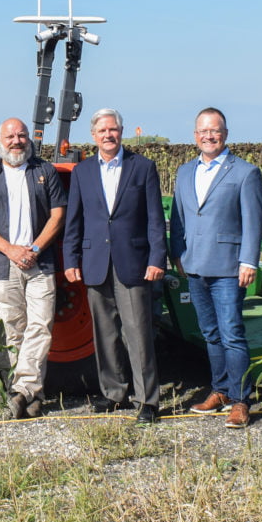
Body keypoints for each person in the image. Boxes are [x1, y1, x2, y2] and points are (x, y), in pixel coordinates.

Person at [63, 108, 167, 424]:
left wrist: (156, 258)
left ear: (121, 132)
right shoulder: (82, 172)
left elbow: (154, 219)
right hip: (95, 262)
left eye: (114, 129)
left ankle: (147, 400)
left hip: (132, 261)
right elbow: (74, 220)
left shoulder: (142, 168)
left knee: (137, 331)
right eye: (103, 131)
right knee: (105, 333)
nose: (109, 135)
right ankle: (114, 393)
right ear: (94, 136)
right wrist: (70, 259)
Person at [170, 107, 262, 428]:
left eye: (215, 131)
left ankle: (241, 400)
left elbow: (254, 221)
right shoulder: (185, 172)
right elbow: (180, 220)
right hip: (195, 265)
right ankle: (221, 390)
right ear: (195, 135)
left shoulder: (244, 172)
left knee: (232, 334)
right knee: (210, 334)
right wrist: (177, 255)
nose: (209, 136)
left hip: (228, 266)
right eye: (203, 131)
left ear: (225, 133)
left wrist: (249, 260)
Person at [0, 117, 66, 419]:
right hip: (2, 262)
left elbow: (58, 215)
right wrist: (10, 249)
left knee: (40, 326)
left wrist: (34, 249)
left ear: (29, 139)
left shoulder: (44, 171)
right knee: (15, 330)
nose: (16, 141)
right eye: (10, 136)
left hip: (40, 262)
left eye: (21, 136)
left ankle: (20, 392)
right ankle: (33, 395)